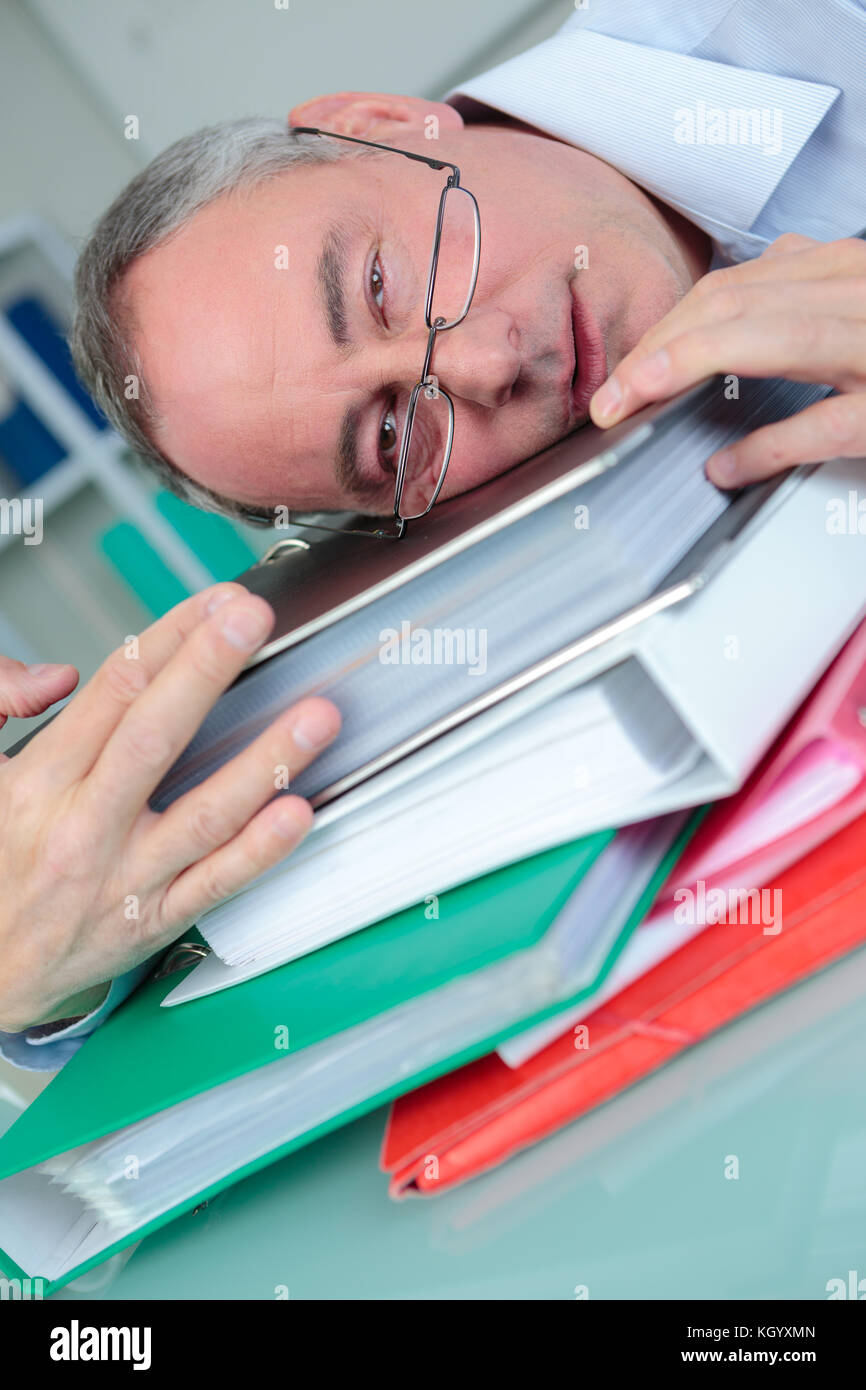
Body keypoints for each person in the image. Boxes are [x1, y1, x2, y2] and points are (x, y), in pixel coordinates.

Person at [3, 0, 866, 1065]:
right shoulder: (557, 530)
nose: (481, 364)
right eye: (386, 434)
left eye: (379, 282)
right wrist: (32, 980)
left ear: (385, 122)